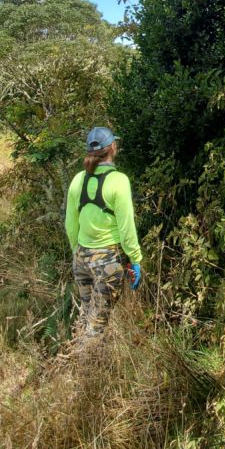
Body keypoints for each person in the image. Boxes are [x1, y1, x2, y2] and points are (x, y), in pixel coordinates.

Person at [65, 126, 142, 343]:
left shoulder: (77, 180)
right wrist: (135, 259)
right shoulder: (119, 181)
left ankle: (83, 362)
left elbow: (70, 224)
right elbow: (126, 228)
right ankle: (85, 370)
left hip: (81, 258)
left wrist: (77, 252)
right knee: (96, 327)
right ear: (113, 148)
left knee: (89, 314)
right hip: (108, 261)